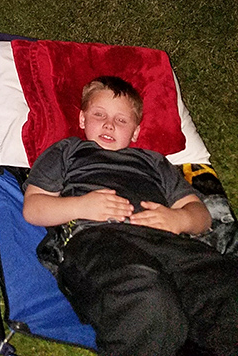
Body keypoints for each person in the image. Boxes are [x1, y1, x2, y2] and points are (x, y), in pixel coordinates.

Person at [23, 75, 238, 356]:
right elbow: (34, 208)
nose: (109, 124)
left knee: (227, 288)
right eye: (99, 115)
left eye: (122, 120)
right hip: (98, 241)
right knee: (145, 296)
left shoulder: (154, 161)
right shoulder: (68, 151)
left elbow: (200, 214)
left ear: (135, 132)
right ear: (82, 119)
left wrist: (179, 220)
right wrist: (82, 206)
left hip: (170, 243)